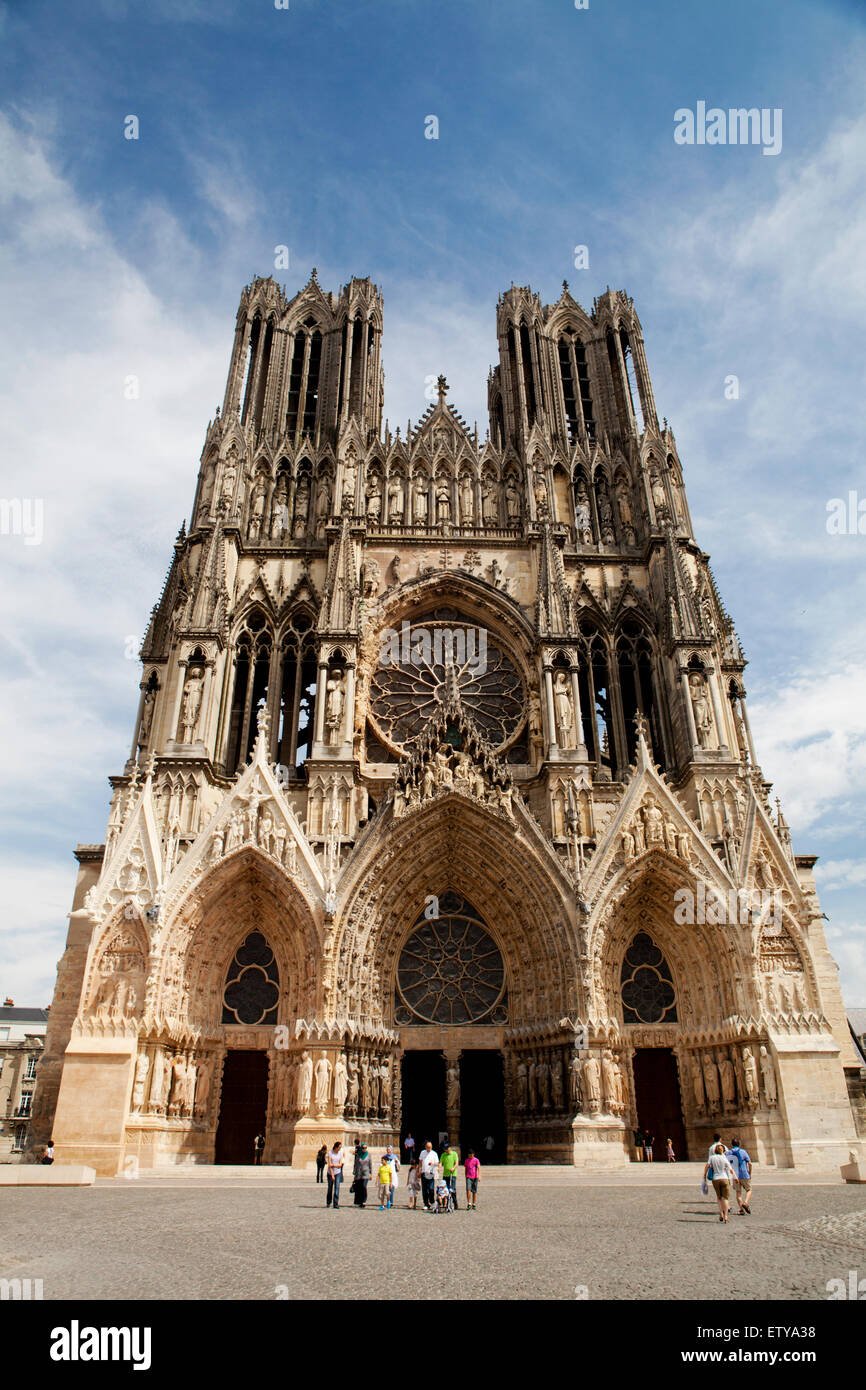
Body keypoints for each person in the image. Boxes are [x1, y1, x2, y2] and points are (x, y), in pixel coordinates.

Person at [705, 1142, 737, 1223]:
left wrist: (704, 1175)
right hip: (724, 1178)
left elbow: (707, 1166)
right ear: (723, 1150)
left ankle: (721, 1213)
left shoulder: (712, 1157)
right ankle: (726, 1216)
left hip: (715, 1179)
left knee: (719, 1197)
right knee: (725, 1198)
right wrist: (735, 1177)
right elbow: (730, 1169)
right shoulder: (724, 1158)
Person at [726, 1136, 753, 1215]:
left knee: (738, 1193)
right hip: (744, 1174)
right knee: (749, 1190)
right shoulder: (743, 1152)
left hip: (735, 1175)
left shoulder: (728, 1153)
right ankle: (746, 1203)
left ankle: (741, 1209)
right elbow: (750, 1163)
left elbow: (727, 1164)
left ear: (732, 1144)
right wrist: (750, 1173)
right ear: (739, 1144)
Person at [419, 1141, 439, 1212]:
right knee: (424, 1190)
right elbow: (420, 1161)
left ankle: (432, 1202)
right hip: (424, 1173)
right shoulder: (422, 1152)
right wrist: (419, 1170)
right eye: (428, 1147)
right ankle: (426, 1203)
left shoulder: (434, 1154)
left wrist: (433, 1163)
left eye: (430, 1147)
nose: (429, 1148)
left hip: (431, 1173)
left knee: (431, 1189)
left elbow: (437, 1163)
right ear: (425, 1147)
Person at [326, 1141, 344, 1209]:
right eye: (339, 1147)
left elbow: (340, 1164)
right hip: (330, 1173)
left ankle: (335, 1203)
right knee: (330, 1188)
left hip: (338, 1172)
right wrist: (332, 1175)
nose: (340, 1148)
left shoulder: (340, 1153)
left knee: (337, 1188)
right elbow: (329, 1165)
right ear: (336, 1147)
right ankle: (328, 1202)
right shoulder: (330, 1153)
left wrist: (334, 1165)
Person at [441, 1142, 459, 1209]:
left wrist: (453, 1168)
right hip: (445, 1174)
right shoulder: (443, 1155)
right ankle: (444, 1203)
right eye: (445, 1149)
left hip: (452, 1174)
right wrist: (439, 1167)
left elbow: (456, 1163)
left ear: (450, 1148)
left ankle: (455, 1203)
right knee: (444, 1189)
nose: (446, 1150)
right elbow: (441, 1162)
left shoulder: (454, 1154)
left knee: (452, 1189)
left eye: (447, 1149)